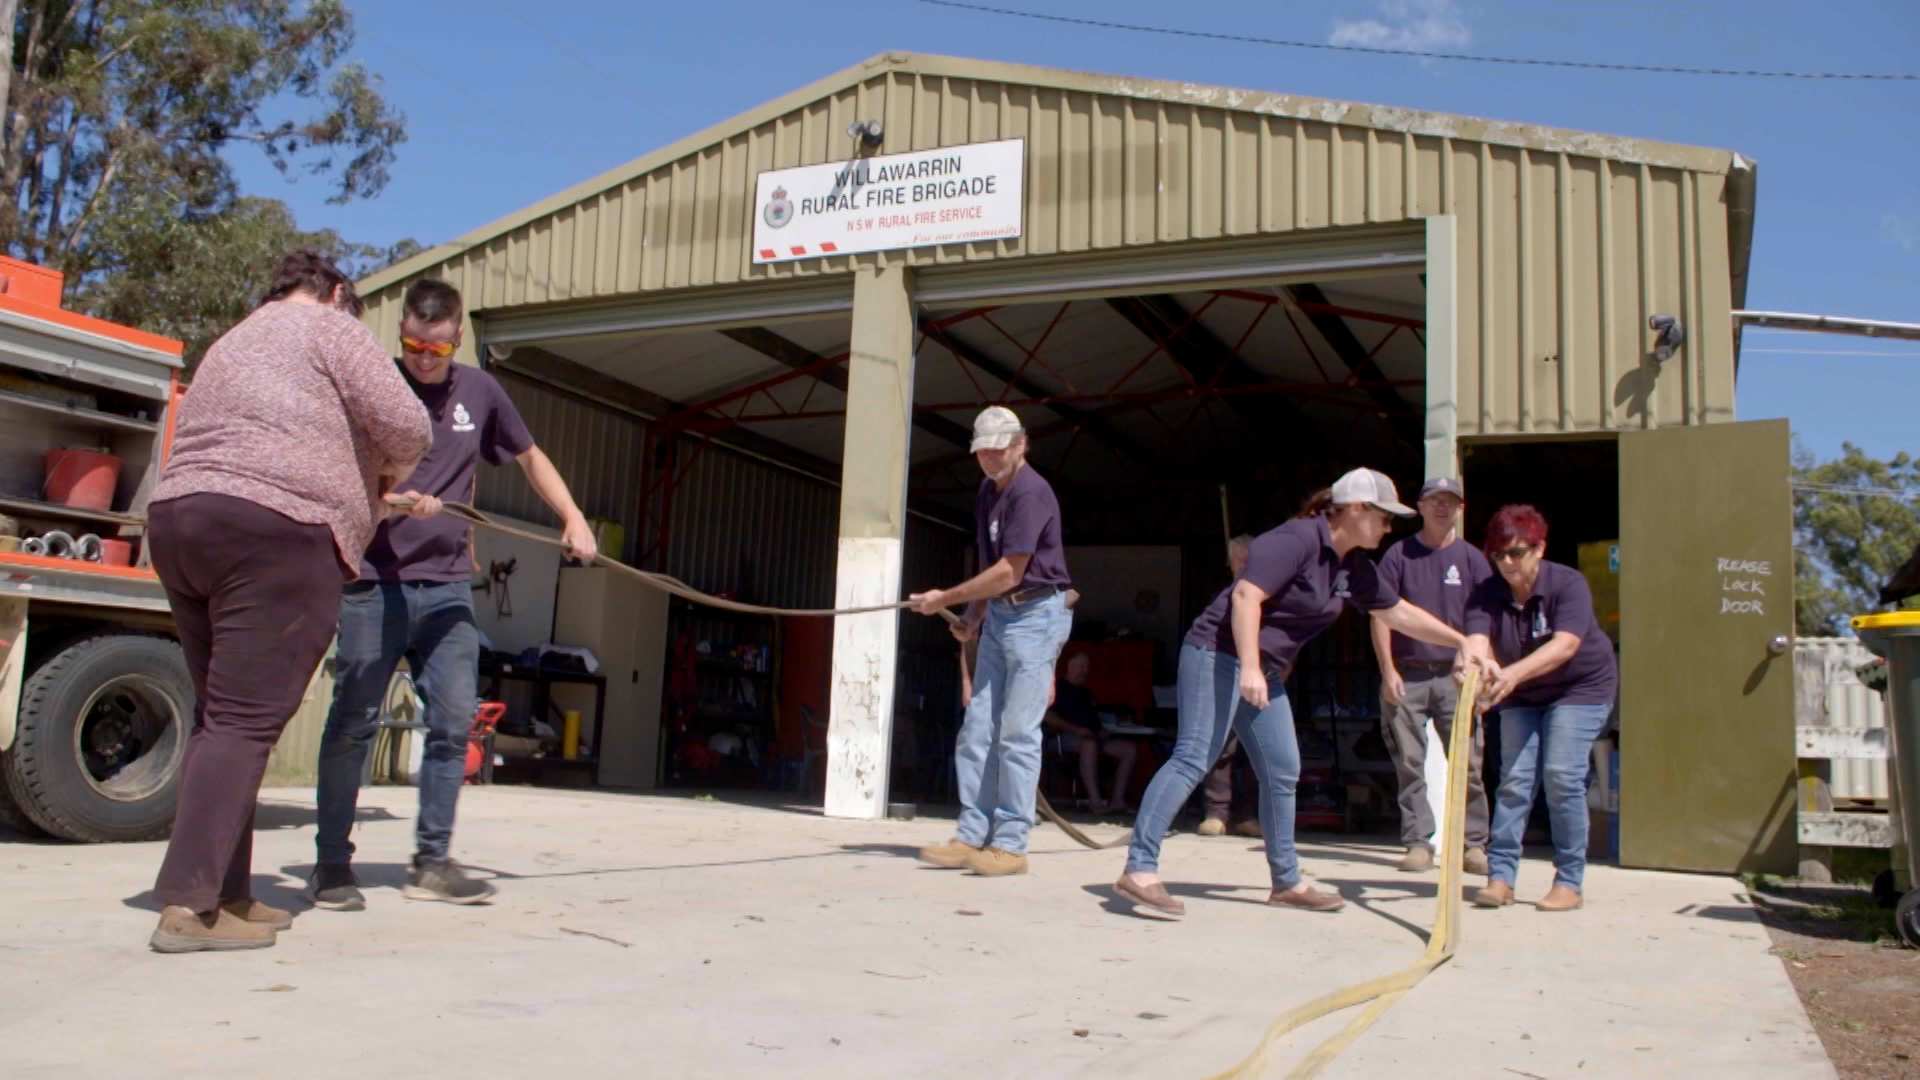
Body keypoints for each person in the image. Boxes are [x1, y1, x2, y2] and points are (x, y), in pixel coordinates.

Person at [144, 252, 432, 952]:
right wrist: (385, 470)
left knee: (224, 719)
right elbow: (410, 427)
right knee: (243, 722)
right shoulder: (331, 327)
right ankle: (188, 908)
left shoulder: (233, 339)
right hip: (276, 530)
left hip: (183, 520)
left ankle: (229, 895)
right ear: (335, 292)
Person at [310, 278, 598, 911]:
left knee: (453, 718)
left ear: (457, 339)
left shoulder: (480, 392)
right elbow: (335, 476)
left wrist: (572, 516)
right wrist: (389, 503)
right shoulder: (377, 385)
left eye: (435, 349)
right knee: (353, 722)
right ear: (403, 333)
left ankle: (432, 861)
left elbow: (529, 457)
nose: (422, 359)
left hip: (445, 589)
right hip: (374, 582)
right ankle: (331, 867)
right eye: (413, 344)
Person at [1114, 469, 1485, 917]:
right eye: (1384, 518)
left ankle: (1286, 882)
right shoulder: (1294, 541)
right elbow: (1246, 598)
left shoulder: (1353, 566)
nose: (1389, 528)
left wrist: (1462, 641)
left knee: (1283, 768)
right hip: (1217, 653)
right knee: (1195, 754)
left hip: (1262, 669)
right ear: (1354, 510)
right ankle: (1139, 868)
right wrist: (1249, 666)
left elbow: (1399, 613)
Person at [911, 406, 1073, 878]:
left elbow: (1010, 570)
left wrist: (947, 596)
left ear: (1021, 445)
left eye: (997, 450)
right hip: (1002, 614)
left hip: (1036, 614)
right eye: (982, 451)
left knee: (1017, 734)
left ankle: (1010, 843)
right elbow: (990, 561)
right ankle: (971, 833)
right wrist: (973, 616)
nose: (988, 459)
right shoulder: (987, 491)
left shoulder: (1032, 493)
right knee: (978, 726)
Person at [1464, 505, 1618, 913]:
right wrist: (1474, 666)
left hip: (1580, 688)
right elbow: (1477, 639)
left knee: (1561, 776)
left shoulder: (1569, 584)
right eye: (1498, 556)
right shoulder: (1486, 592)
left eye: (1517, 553)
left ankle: (1569, 881)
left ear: (1540, 548)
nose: (1508, 564)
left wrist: (1510, 675)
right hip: (1523, 694)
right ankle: (1501, 877)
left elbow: (1565, 645)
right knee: (1514, 780)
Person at [1370, 478, 1495, 874]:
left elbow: (1485, 620)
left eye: (1450, 502)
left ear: (1460, 507)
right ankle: (1417, 842)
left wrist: (1481, 669)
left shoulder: (1473, 560)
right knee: (1409, 761)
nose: (1443, 508)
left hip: (1455, 677)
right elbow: (1380, 615)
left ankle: (1473, 844)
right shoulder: (1398, 556)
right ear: (1420, 507)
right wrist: (1388, 670)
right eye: (1434, 501)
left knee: (1468, 762)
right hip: (1408, 674)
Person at [1199, 534, 1261, 839]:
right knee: (1221, 748)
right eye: (1237, 560)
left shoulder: (1267, 596)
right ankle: (1216, 812)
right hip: (1224, 676)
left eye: (1247, 559)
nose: (1242, 565)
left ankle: (1247, 814)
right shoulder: (1223, 598)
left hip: (1261, 680)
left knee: (1255, 749)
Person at [1042, 652, 1140, 814]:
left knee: (1128, 749)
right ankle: (1096, 802)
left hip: (1091, 737)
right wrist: (1075, 729)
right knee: (1089, 744)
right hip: (1062, 738)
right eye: (1080, 666)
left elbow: (1093, 721)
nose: (1084, 671)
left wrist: (1102, 731)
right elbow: (1047, 716)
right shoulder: (1057, 689)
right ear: (1069, 667)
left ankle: (1117, 800)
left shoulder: (1086, 693)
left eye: (1086, 667)